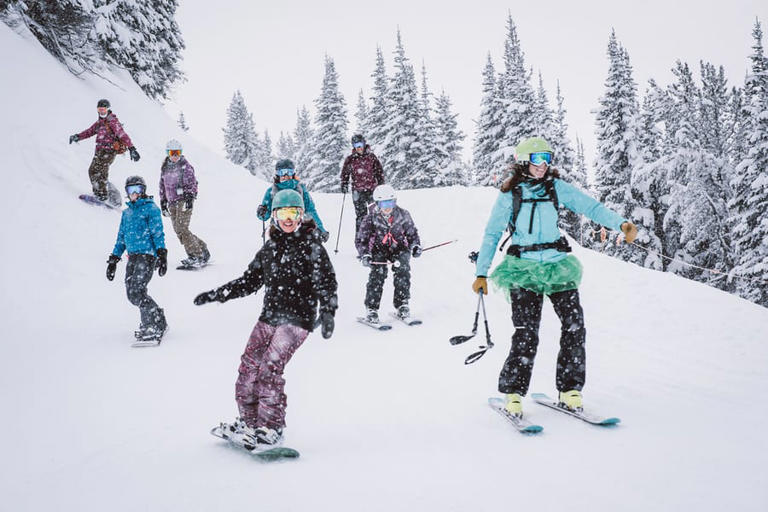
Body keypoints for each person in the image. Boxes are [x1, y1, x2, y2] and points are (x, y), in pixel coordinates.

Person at [472, 136, 638, 418]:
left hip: (557, 266)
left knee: (575, 326)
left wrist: (620, 224)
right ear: (523, 161)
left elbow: (590, 207)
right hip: (523, 269)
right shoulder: (510, 194)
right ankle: (513, 394)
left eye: (548, 159)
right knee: (526, 332)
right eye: (538, 159)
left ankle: (570, 390)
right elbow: (492, 233)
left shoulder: (555, 187)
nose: (543, 165)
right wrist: (481, 272)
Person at [194, 189, 337, 447]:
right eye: (282, 213)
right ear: (274, 217)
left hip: (297, 318)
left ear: (301, 215)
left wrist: (328, 311)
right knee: (249, 367)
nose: (288, 219)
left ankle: (271, 427)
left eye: (293, 213)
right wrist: (218, 294)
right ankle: (250, 422)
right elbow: (249, 281)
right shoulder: (270, 248)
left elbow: (326, 282)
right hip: (270, 315)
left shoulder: (312, 246)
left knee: (270, 368)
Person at [106, 176, 168, 342]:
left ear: (143, 190)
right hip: (132, 256)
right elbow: (121, 238)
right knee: (131, 293)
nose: (134, 193)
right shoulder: (126, 213)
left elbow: (158, 233)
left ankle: (153, 324)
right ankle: (156, 319)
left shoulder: (151, 209)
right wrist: (114, 259)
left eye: (137, 189)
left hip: (147, 256)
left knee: (137, 290)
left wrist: (162, 254)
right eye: (130, 190)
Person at [356, 184, 421, 323]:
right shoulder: (370, 218)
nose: (387, 207)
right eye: (383, 203)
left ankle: (402, 304)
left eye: (390, 203)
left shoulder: (403, 214)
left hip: (399, 247)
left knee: (403, 269)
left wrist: (415, 246)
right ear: (377, 204)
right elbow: (361, 239)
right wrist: (365, 254)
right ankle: (371, 309)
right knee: (378, 274)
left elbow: (412, 233)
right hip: (379, 249)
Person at [69, 99, 141, 207]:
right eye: (99, 109)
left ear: (108, 109)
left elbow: (122, 135)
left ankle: (102, 195)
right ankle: (102, 193)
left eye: (103, 109)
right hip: (99, 151)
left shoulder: (112, 121)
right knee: (93, 171)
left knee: (99, 171)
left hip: (109, 151)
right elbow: (89, 132)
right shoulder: (99, 123)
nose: (101, 112)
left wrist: (132, 148)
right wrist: (78, 137)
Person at [158, 139, 211, 267]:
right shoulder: (165, 168)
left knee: (182, 228)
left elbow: (192, 184)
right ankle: (202, 248)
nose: (175, 156)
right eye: (172, 153)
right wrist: (163, 202)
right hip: (172, 202)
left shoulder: (185, 167)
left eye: (177, 152)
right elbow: (162, 185)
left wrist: (190, 198)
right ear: (168, 153)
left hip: (183, 201)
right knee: (178, 230)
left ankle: (195, 255)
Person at [256, 159, 329, 242]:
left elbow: (310, 210)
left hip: (297, 225)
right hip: (278, 226)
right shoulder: (271, 191)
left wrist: (320, 229)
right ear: (277, 174)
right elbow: (265, 216)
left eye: (289, 172)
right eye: (282, 172)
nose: (286, 175)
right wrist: (262, 212)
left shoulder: (301, 189)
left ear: (293, 173)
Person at [340, 134, 385, 234]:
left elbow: (379, 171)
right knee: (361, 216)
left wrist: (381, 184)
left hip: (372, 190)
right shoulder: (350, 159)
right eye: (356, 145)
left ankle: (378, 235)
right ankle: (361, 236)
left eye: (360, 144)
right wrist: (344, 183)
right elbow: (345, 173)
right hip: (358, 191)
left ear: (364, 144)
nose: (358, 147)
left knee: (376, 213)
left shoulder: (371, 157)